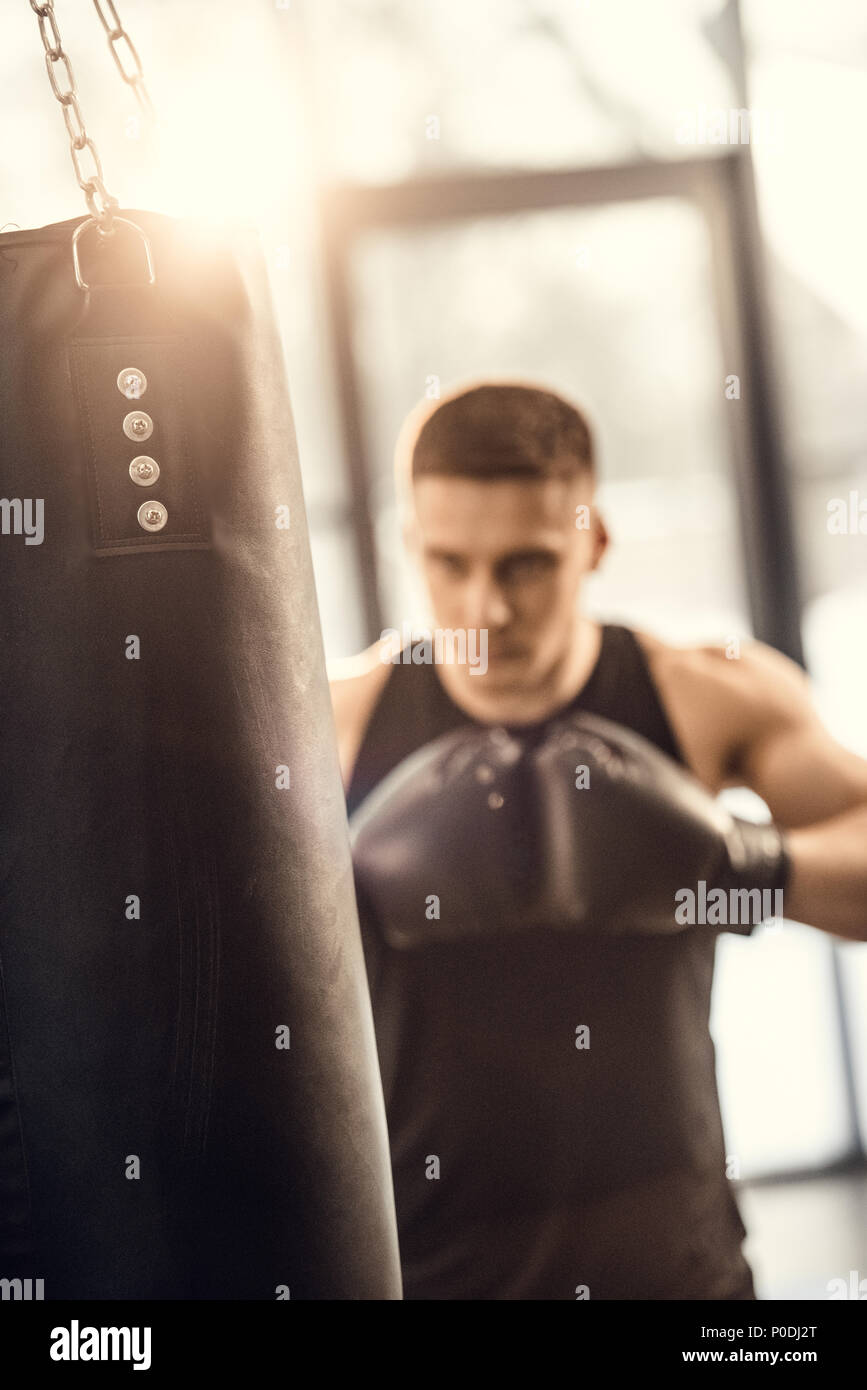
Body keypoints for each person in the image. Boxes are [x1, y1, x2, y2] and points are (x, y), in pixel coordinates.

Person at [329, 381, 867, 1300]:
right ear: (410, 544)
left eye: (526, 564)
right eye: (448, 562)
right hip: (429, 1273)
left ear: (595, 541)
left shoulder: (706, 695)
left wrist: (744, 864)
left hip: (679, 1267)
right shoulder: (334, 723)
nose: (483, 609)